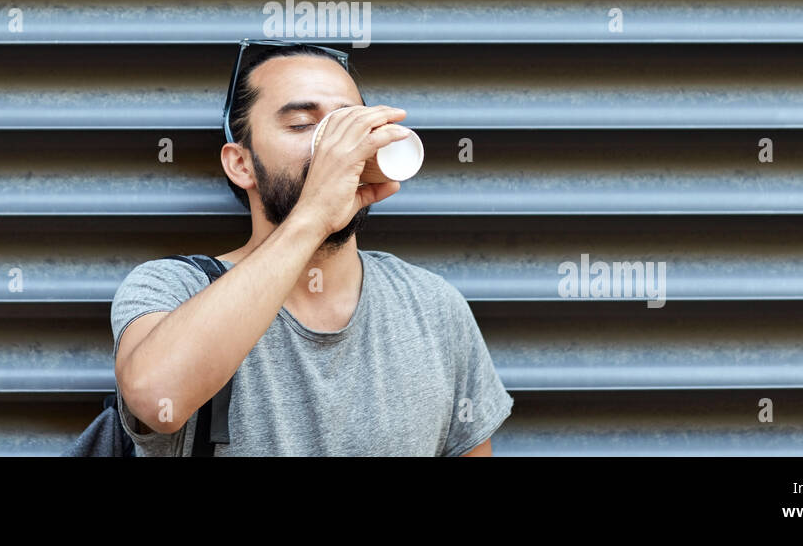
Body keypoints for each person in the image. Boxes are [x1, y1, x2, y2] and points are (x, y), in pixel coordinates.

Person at [110, 40, 513, 455]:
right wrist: (315, 213)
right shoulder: (170, 288)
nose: (337, 148)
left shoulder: (431, 305)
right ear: (241, 164)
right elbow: (157, 400)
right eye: (303, 124)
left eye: (349, 126)